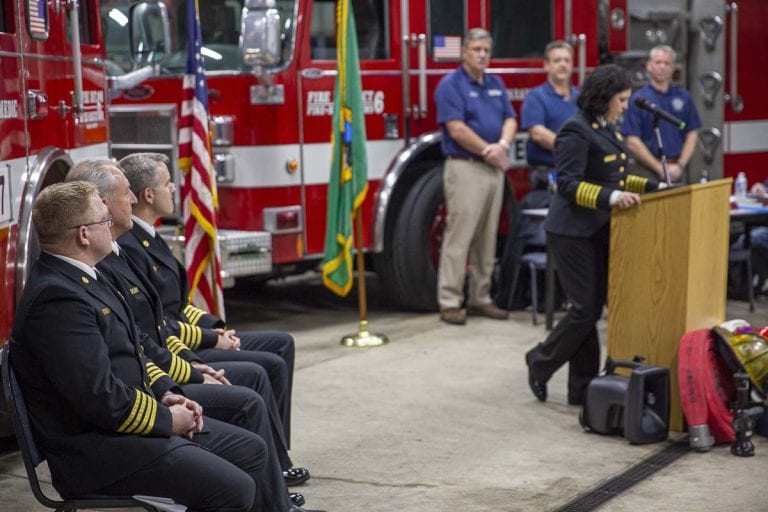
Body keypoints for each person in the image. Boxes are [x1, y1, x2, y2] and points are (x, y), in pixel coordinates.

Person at [9, 181, 281, 511]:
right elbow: (100, 398)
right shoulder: (57, 299)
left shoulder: (87, 277)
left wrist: (166, 392)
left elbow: (133, 349)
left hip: (125, 428)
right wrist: (168, 419)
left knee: (250, 449)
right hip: (97, 453)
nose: (111, 225)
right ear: (83, 235)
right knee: (233, 488)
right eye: (104, 220)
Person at [64, 160, 307, 509]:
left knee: (266, 371)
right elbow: (108, 386)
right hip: (111, 441)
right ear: (84, 232)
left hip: (150, 391)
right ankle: (273, 492)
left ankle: (274, 489)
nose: (131, 200)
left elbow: (145, 336)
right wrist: (176, 396)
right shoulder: (65, 295)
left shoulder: (105, 265)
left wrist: (173, 385)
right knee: (249, 402)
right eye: (119, 198)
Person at [524, 64, 662, 406]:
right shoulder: (575, 130)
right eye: (622, 99)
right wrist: (612, 198)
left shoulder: (606, 129)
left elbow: (618, 178)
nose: (625, 106)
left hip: (597, 230)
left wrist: (657, 188)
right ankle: (540, 360)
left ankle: (581, 388)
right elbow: (568, 185)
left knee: (590, 309)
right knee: (584, 309)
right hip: (571, 232)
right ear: (605, 97)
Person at [434, 27, 518, 325]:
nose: (482, 55)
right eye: (476, 50)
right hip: (466, 167)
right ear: (464, 53)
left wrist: (502, 145)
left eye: (486, 50)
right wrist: (486, 150)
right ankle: (450, 301)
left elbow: (510, 118)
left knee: (487, 237)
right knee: (460, 236)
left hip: (493, 168)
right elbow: (456, 129)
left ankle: (480, 298)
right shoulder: (451, 85)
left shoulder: (495, 83)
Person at [621, 45, 702, 183]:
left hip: (678, 169)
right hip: (647, 171)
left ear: (673, 68)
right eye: (658, 62)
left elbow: (692, 133)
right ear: (649, 65)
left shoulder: (683, 97)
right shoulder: (638, 100)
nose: (662, 67)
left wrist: (680, 165)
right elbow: (632, 141)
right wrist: (659, 168)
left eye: (667, 63)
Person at [521, 40, 579, 184]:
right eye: (557, 60)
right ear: (546, 65)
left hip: (577, 171)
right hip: (548, 174)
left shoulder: (580, 97)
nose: (563, 64)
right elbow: (538, 134)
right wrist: (572, 148)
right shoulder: (536, 97)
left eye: (567, 60)